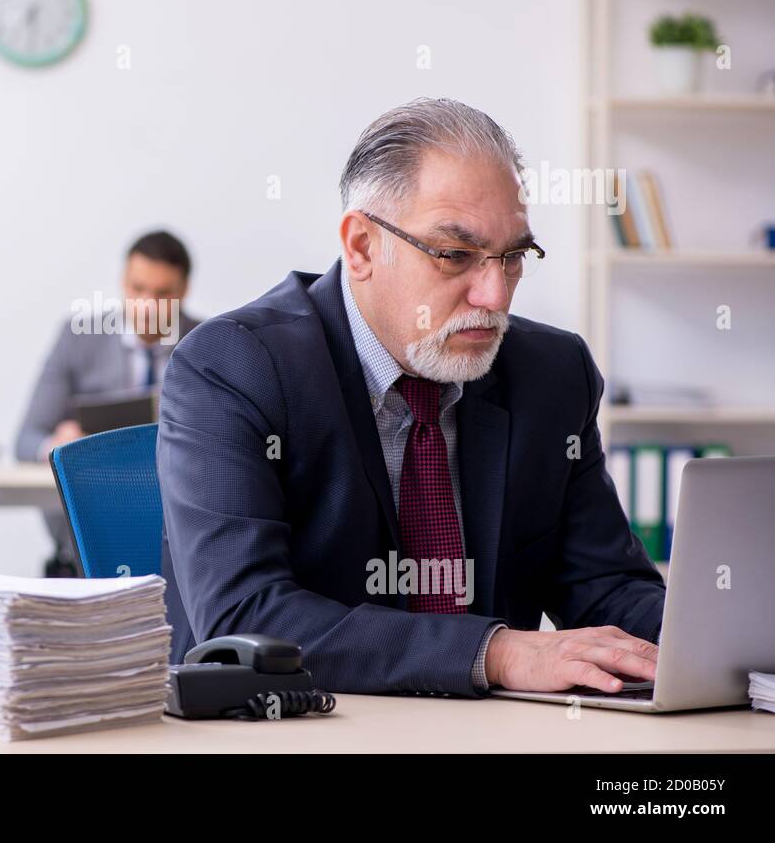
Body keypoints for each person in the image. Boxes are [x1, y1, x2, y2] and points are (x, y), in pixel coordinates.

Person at [157, 98, 664, 697]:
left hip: (491, 739)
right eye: (455, 255)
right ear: (363, 247)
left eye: (514, 256)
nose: (495, 294)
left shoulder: (551, 374)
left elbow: (604, 587)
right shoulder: (235, 366)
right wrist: (494, 653)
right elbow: (243, 618)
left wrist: (732, 641)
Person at [17, 230, 201, 577]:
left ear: (184, 292)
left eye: (162, 293)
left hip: (179, 532)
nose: (147, 305)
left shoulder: (207, 341)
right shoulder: (77, 339)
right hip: (91, 533)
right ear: (122, 283)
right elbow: (25, 438)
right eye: (137, 289)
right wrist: (54, 446)